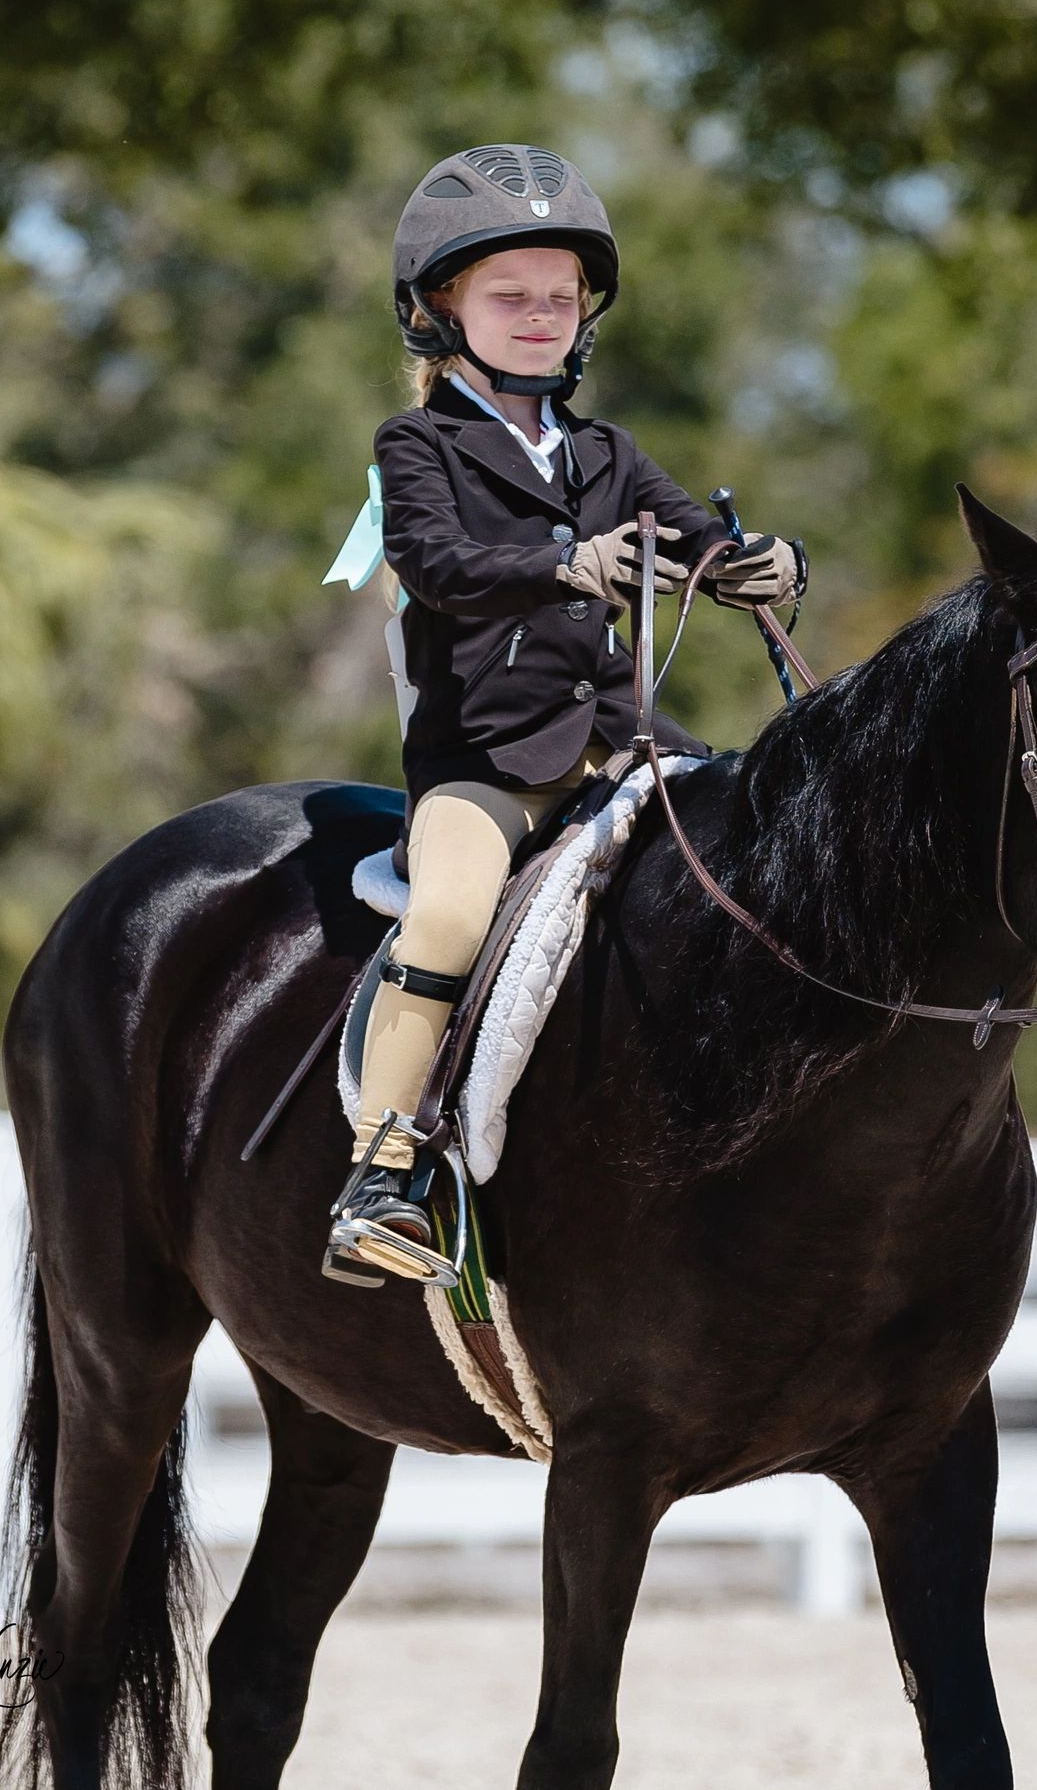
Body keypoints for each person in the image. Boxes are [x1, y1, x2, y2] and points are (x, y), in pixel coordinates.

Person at [323, 145, 796, 1285]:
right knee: (442, 919)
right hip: (491, 763)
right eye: (509, 296)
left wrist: (756, 562)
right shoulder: (417, 445)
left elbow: (693, 532)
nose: (539, 316)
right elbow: (439, 563)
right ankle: (380, 1172)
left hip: (632, 750)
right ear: (445, 309)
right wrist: (564, 561)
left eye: (558, 298)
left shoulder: (606, 452)